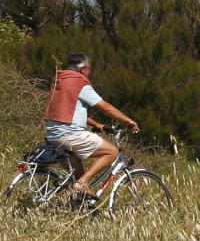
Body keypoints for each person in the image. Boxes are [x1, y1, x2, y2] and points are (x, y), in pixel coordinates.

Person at [43, 52, 139, 199]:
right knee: (112, 152)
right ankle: (82, 183)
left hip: (52, 136)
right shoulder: (80, 83)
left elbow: (69, 110)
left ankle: (76, 204)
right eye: (90, 68)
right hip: (70, 135)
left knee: (78, 177)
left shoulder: (59, 81)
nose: (90, 72)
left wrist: (97, 124)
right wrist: (128, 121)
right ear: (83, 69)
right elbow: (104, 106)